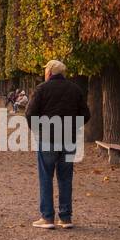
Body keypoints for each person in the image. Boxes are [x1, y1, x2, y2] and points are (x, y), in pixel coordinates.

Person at [24, 60, 91, 230]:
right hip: (68, 139)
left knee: (46, 176)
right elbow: (86, 114)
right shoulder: (75, 89)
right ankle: (65, 217)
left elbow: (30, 113)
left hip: (47, 138)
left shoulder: (42, 89)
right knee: (66, 177)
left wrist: (38, 130)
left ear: (49, 72)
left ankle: (47, 218)